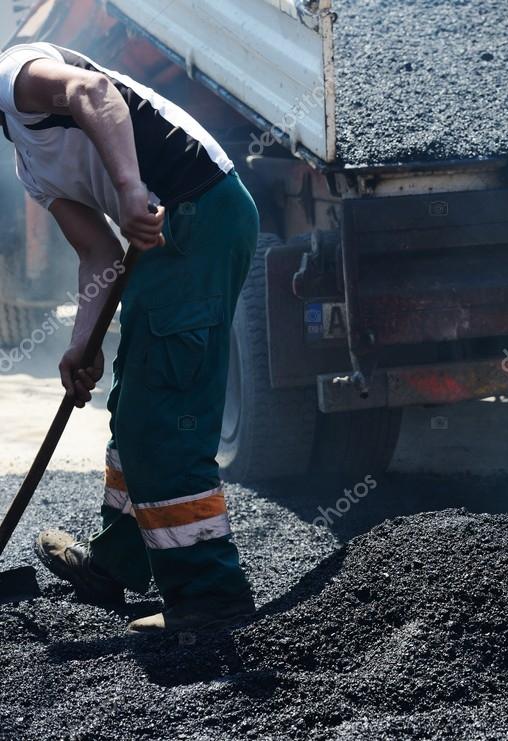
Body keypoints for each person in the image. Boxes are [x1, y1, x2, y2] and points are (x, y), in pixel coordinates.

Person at [0, 42, 257, 634]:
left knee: (166, 415)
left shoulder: (14, 73)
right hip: (157, 244)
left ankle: (211, 598)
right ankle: (114, 564)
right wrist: (80, 346)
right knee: (134, 407)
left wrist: (129, 186)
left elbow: (90, 92)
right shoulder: (32, 168)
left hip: (198, 215)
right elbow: (99, 252)